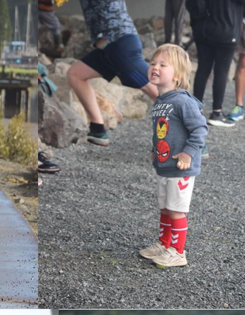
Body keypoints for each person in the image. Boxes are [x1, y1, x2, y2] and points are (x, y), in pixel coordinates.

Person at [138, 43, 206, 270]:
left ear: (177, 75)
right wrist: (153, 150)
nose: (155, 67)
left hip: (180, 167)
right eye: (152, 63)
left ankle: (177, 252)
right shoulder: (160, 102)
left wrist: (188, 153)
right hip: (164, 165)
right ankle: (164, 244)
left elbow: (200, 129)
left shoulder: (183, 101)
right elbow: (161, 131)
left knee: (177, 209)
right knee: (165, 208)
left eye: (162, 65)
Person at [64, 0, 159, 145]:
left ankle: (192, 135)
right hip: (108, 48)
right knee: (76, 74)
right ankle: (98, 129)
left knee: (158, 92)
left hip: (121, 44)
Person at [188, 0, 243, 128]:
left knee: (203, 68)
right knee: (222, 70)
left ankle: (196, 111)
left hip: (202, 28)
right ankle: (216, 113)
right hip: (227, 27)